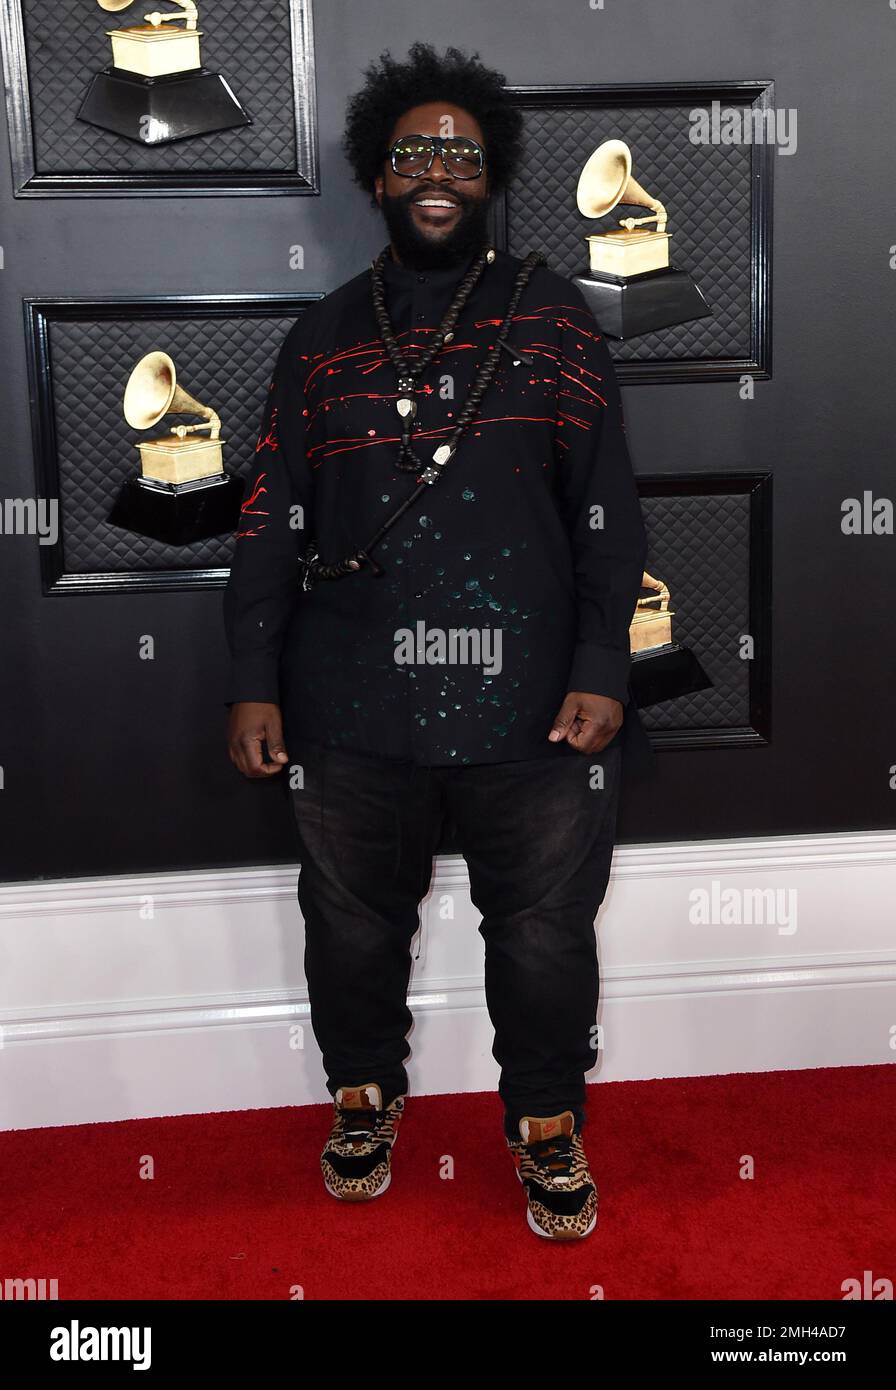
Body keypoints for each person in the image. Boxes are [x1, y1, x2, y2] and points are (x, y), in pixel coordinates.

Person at [223, 42, 649, 1241]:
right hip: (349, 700)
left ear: (490, 176)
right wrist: (253, 678)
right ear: (375, 175)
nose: (436, 171)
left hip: (532, 702)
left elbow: (607, 508)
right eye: (413, 151)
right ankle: (362, 1098)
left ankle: (545, 1121)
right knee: (352, 924)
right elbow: (269, 520)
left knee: (542, 929)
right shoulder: (317, 339)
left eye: (460, 154)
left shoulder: (553, 317)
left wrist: (601, 664)